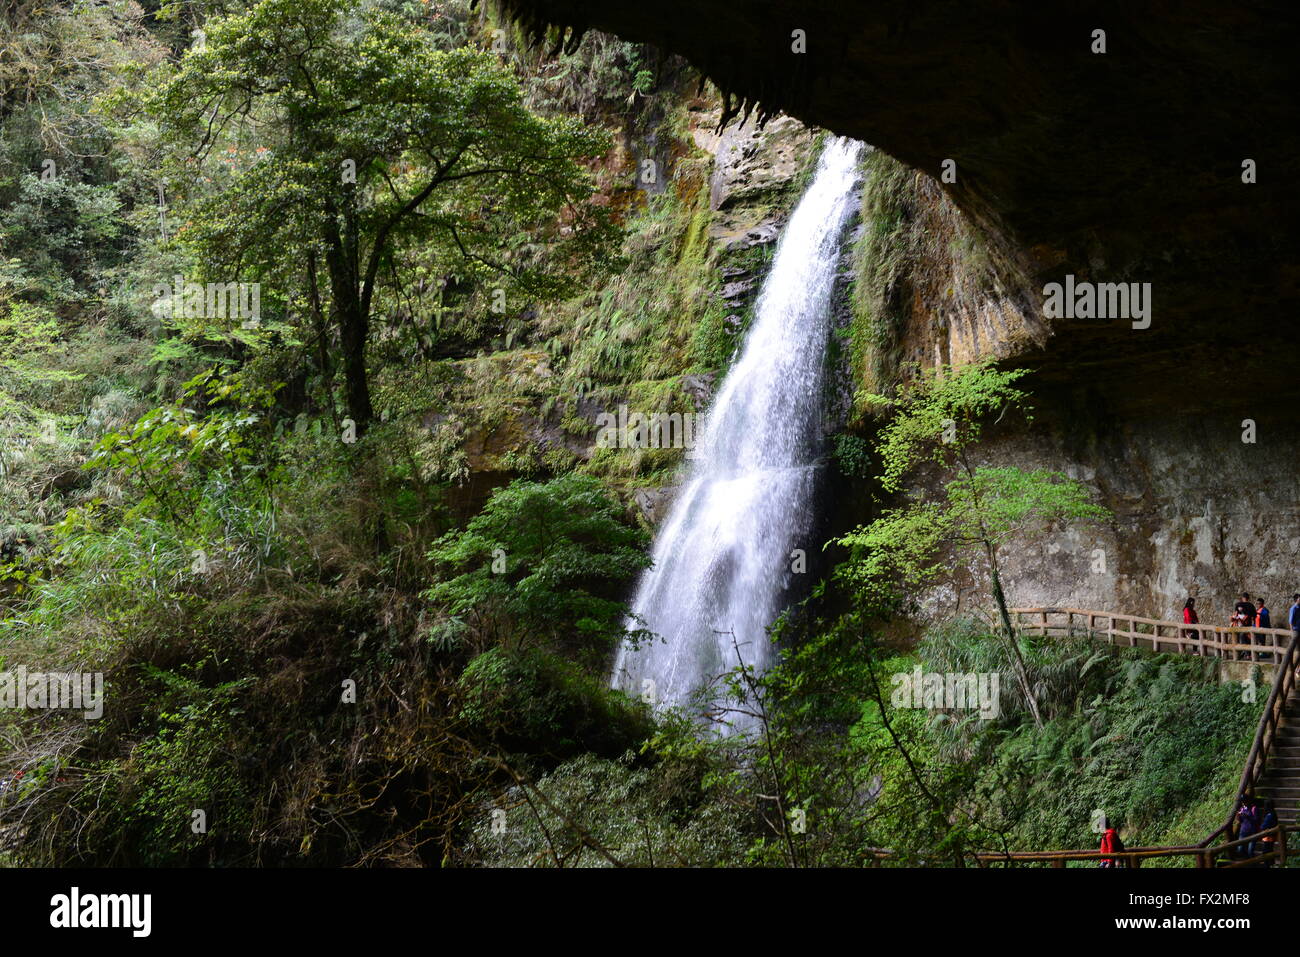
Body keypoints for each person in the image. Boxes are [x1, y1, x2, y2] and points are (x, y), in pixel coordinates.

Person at [1235, 795, 1260, 860]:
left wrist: (1247, 816)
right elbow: (1241, 821)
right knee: (1240, 849)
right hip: (1243, 831)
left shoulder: (1254, 808)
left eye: (1245, 801)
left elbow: (1256, 820)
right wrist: (1238, 817)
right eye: (1243, 802)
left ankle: (1253, 864)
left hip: (1252, 832)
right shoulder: (1242, 809)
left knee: (1250, 851)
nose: (1244, 803)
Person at [1233, 592, 1256, 659]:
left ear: (1243, 598)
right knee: (1249, 639)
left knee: (1242, 638)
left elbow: (1235, 614)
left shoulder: (1239, 605)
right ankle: (1248, 654)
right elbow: (1254, 616)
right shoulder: (1251, 605)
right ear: (1248, 598)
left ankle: (1246, 654)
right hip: (1249, 625)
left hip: (1241, 625)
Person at [1256, 798, 1278, 863]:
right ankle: (1271, 864)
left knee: (1266, 853)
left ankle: (1268, 864)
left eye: (1265, 805)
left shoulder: (1270, 815)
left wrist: (1261, 826)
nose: (1264, 807)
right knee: (1269, 852)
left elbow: (1265, 825)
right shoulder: (1272, 813)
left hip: (1269, 837)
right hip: (1269, 837)